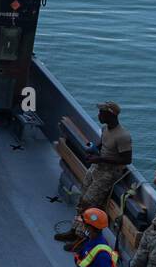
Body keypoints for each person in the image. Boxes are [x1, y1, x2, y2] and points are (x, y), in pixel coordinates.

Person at [55, 102, 132, 250]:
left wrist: (101, 159)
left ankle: (83, 240)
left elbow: (126, 159)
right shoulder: (105, 129)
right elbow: (103, 144)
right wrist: (94, 150)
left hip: (108, 174)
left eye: (101, 113)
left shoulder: (123, 136)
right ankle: (74, 231)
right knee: (83, 200)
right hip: (97, 168)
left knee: (90, 205)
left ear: (111, 115)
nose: (99, 115)